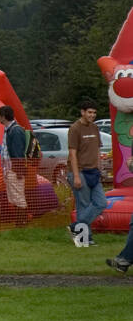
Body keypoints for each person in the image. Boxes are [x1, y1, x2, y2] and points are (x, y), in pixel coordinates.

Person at [68, 100, 107, 246]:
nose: (92, 115)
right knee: (83, 205)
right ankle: (85, 239)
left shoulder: (95, 128)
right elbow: (72, 153)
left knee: (101, 203)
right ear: (82, 112)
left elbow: (97, 150)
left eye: (94, 113)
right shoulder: (75, 128)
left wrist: (99, 168)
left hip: (93, 172)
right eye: (89, 112)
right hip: (80, 172)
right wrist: (76, 176)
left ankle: (75, 227)